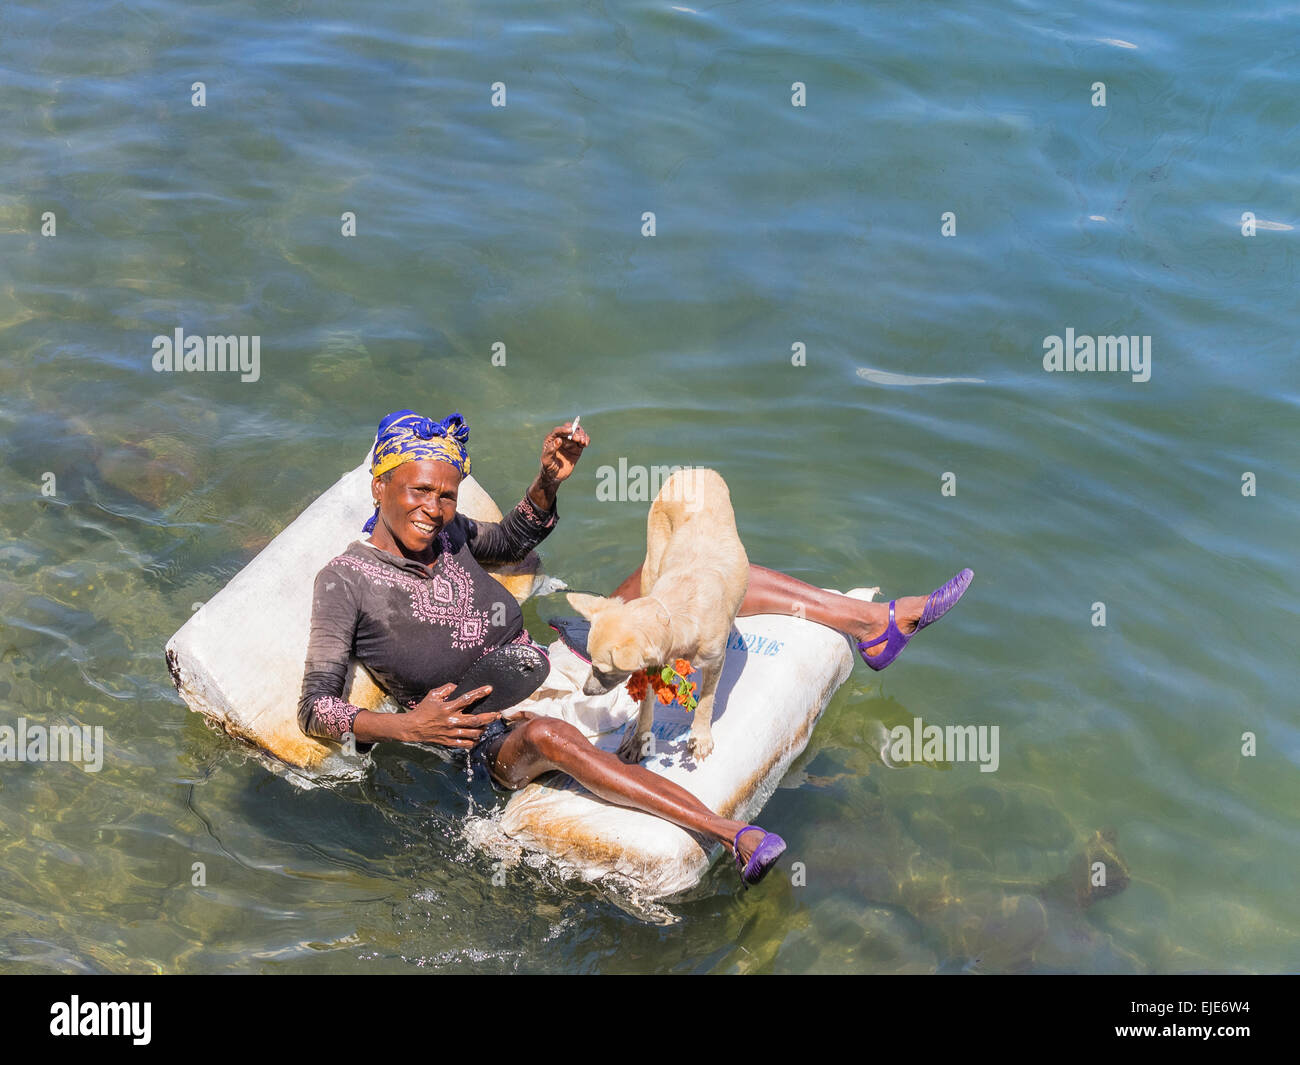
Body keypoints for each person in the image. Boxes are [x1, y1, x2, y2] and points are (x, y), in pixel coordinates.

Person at [298, 409, 972, 888]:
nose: (435, 508)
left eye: (446, 496)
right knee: (552, 736)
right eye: (420, 491)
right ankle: (728, 834)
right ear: (380, 485)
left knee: (691, 579)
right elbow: (315, 708)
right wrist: (404, 727)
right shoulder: (345, 581)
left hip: (554, 668)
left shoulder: (446, 533)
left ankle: (874, 622)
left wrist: (549, 479)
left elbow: (510, 541)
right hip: (485, 737)